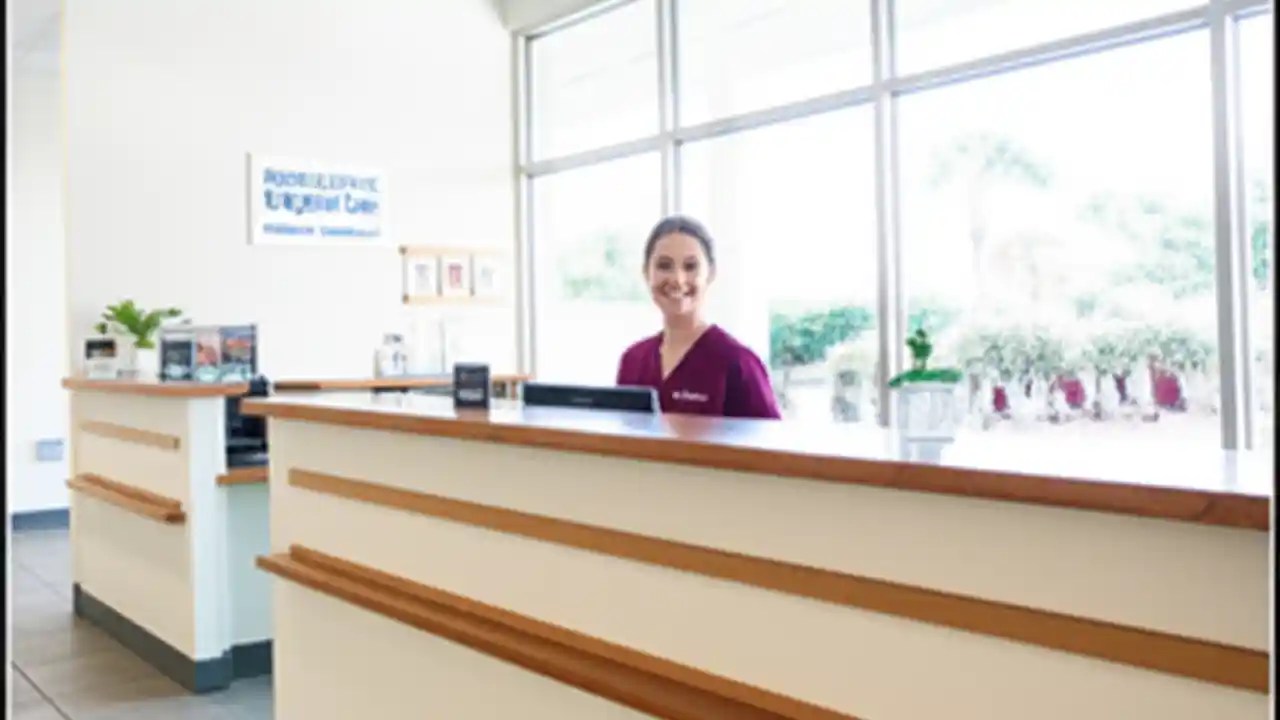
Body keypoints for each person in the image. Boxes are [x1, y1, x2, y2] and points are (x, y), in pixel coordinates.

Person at [616, 215, 782, 419]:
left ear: (710, 273)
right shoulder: (633, 361)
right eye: (664, 266)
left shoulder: (738, 364)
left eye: (690, 266)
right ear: (645, 272)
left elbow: (769, 437)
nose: (677, 279)